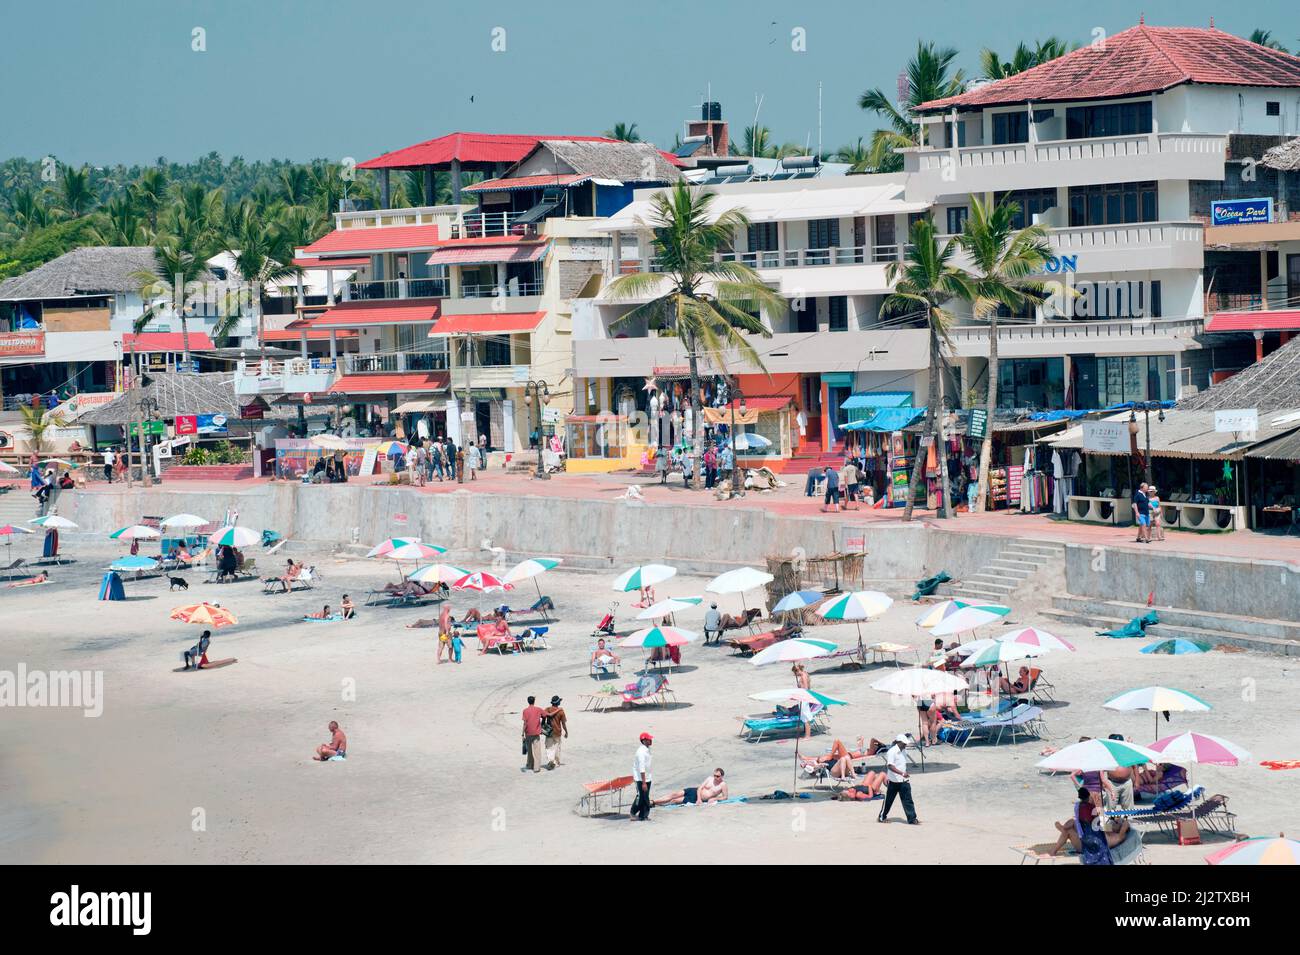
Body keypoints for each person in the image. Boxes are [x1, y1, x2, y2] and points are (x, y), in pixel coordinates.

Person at [1050, 787, 1130, 856]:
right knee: (1073, 823)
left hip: (1085, 848)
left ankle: (1054, 848)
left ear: (1121, 829)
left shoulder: (1117, 837)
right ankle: (1062, 828)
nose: (1115, 822)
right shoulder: (1110, 831)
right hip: (1087, 841)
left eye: (1117, 823)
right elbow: (1097, 822)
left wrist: (1123, 823)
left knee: (1068, 830)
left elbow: (1124, 824)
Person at [878, 734, 919, 825]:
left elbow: (902, 764)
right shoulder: (892, 752)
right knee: (888, 801)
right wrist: (902, 773)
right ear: (899, 742)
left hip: (903, 781)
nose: (906, 745)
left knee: (908, 800)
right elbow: (890, 766)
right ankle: (882, 817)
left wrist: (904, 773)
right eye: (904, 743)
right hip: (893, 781)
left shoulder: (904, 750)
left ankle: (912, 819)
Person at [655, 767, 729, 806]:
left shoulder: (723, 785)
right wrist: (699, 799)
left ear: (722, 776)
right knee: (674, 794)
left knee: (674, 800)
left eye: (718, 776)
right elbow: (700, 788)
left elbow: (725, 797)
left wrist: (714, 798)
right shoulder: (710, 778)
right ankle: (653, 802)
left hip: (694, 798)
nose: (716, 777)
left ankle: (657, 804)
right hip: (694, 791)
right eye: (715, 775)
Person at [630, 732, 653, 821]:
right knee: (640, 797)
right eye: (648, 739)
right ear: (644, 740)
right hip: (640, 778)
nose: (651, 740)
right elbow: (641, 768)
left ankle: (643, 815)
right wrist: (643, 783)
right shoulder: (641, 752)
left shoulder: (647, 749)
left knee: (646, 797)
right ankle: (633, 812)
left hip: (647, 777)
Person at [521, 696, 545, 773]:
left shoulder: (525, 711)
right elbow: (545, 715)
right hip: (536, 733)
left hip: (528, 733)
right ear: (534, 701)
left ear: (528, 701)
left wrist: (522, 733)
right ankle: (536, 768)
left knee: (530, 750)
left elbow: (525, 723)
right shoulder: (538, 709)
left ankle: (530, 765)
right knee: (537, 751)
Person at [543, 695, 568, 769]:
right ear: (558, 703)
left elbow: (543, 717)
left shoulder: (547, 709)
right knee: (557, 747)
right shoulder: (561, 711)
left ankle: (551, 761)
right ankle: (556, 762)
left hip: (549, 731)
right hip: (557, 732)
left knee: (549, 747)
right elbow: (563, 723)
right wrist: (566, 732)